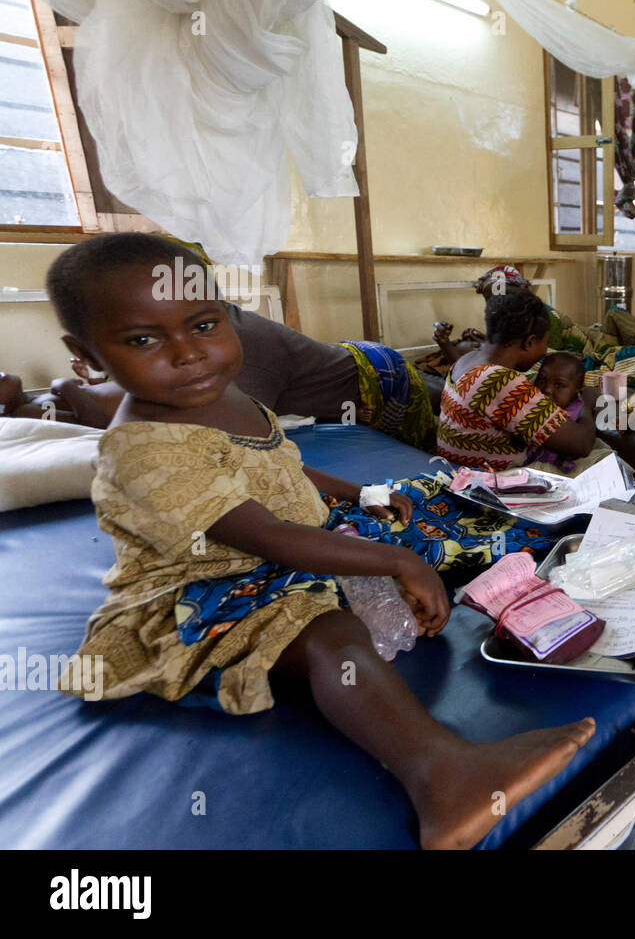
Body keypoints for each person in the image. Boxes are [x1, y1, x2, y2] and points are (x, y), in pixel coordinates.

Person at [46, 234, 595, 850]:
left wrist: (362, 496)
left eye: (203, 324)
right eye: (143, 339)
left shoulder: (226, 395)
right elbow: (268, 536)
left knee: (435, 505)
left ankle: (554, 587)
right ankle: (445, 776)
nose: (188, 354)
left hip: (285, 540)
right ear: (86, 355)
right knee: (324, 631)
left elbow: (281, 467)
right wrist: (396, 560)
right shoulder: (144, 450)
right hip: (206, 588)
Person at [438, 285, 596, 471]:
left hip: (456, 472)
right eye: (545, 343)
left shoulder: (466, 360)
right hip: (486, 487)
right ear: (529, 342)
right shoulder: (501, 381)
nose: (545, 351)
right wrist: (587, 401)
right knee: (602, 455)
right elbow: (581, 444)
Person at [527, 351, 587, 472]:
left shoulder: (573, 413)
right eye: (542, 380)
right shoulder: (533, 402)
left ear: (577, 392)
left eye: (559, 385)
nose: (547, 389)